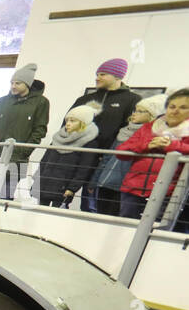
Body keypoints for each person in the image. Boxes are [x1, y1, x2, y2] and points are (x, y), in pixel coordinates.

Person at [68, 58, 143, 212]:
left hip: (104, 160)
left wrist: (111, 155)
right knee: (61, 196)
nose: (98, 78)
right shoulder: (85, 99)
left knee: (93, 205)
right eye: (97, 74)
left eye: (102, 74)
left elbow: (130, 130)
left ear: (117, 76)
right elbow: (66, 126)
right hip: (76, 156)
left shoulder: (132, 100)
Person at [115, 87, 189, 221]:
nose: (175, 111)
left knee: (155, 228)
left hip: (167, 192)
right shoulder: (149, 127)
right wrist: (147, 145)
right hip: (133, 188)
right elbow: (121, 152)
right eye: (172, 106)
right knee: (125, 226)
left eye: (183, 107)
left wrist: (172, 146)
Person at [0, 62, 50, 199]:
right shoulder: (1, 102)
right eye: (12, 83)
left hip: (17, 158)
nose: (13, 86)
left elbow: (39, 130)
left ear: (28, 84)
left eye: (18, 83)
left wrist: (23, 152)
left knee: (5, 197)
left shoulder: (41, 102)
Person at [91, 95, 163, 216]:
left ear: (151, 115)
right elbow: (107, 157)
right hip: (105, 181)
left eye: (140, 111)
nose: (134, 114)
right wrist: (95, 179)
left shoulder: (150, 134)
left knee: (115, 218)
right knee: (100, 216)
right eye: (135, 110)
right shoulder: (123, 131)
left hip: (124, 185)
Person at [34, 105, 100, 208]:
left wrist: (72, 188)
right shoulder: (57, 138)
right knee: (39, 212)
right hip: (45, 184)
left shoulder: (89, 143)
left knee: (57, 214)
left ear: (83, 123)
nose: (68, 123)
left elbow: (84, 169)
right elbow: (44, 161)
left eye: (73, 121)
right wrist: (37, 180)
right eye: (67, 120)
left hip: (64, 189)